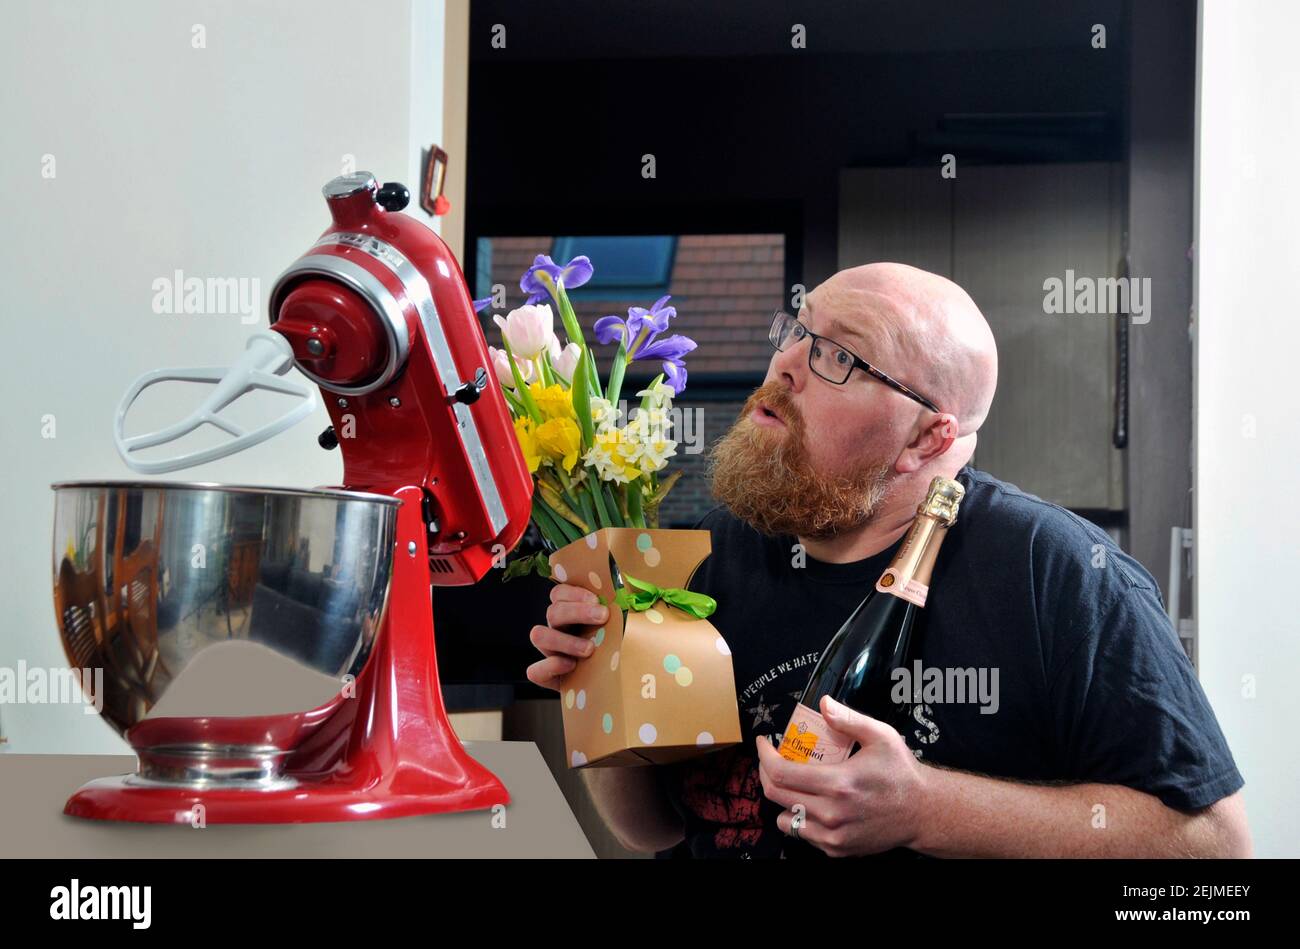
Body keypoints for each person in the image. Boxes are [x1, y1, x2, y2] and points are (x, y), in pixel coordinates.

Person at [526, 262, 1251, 859]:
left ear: (927, 441)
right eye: (798, 331)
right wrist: (595, 693)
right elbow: (654, 828)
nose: (784, 365)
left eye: (840, 355)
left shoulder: (1061, 574)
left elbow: (1216, 845)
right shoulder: (711, 554)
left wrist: (926, 809)